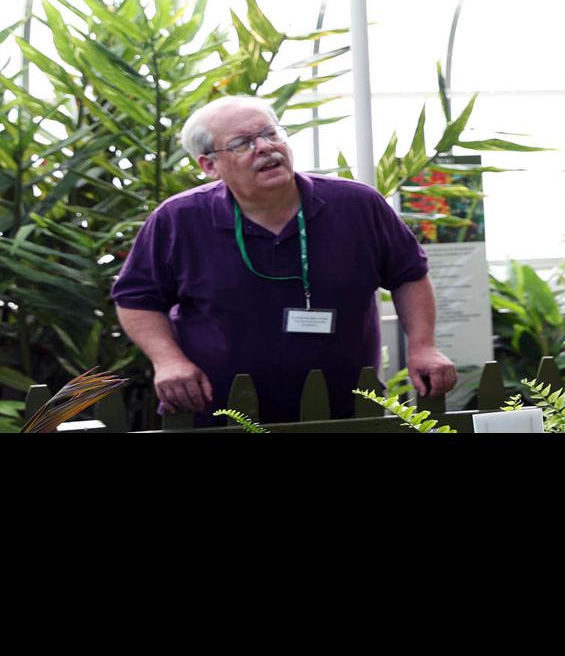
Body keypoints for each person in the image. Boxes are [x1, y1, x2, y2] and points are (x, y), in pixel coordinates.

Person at [112, 96, 456, 426]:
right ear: (209, 165)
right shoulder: (179, 219)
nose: (264, 147)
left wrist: (423, 346)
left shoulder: (357, 204)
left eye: (270, 133)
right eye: (242, 142)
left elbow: (408, 275)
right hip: (218, 414)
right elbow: (136, 299)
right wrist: (168, 360)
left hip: (345, 410)